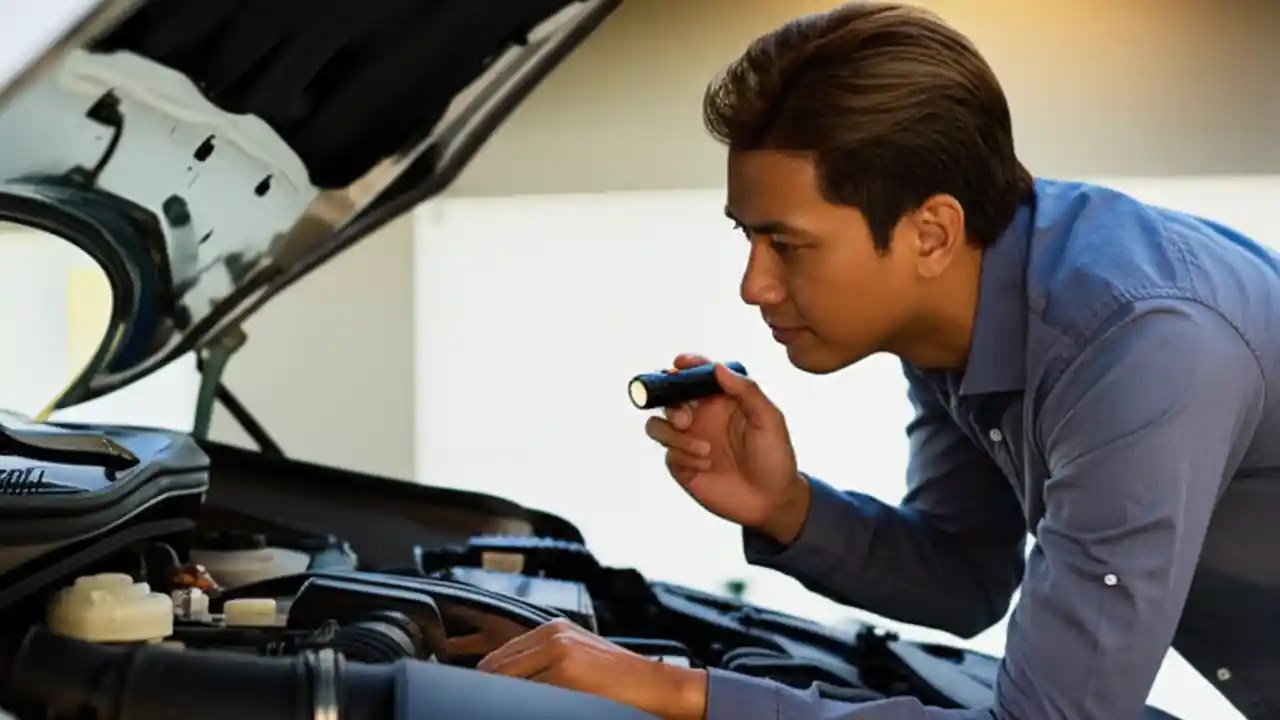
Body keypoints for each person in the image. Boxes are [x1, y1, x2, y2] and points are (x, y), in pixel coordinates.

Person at [477, 2, 1280, 718]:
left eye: (787, 245)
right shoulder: (967, 309)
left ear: (930, 232)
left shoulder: (1140, 348)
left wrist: (682, 692)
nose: (754, 286)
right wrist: (786, 506)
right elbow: (969, 579)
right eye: (746, 237)